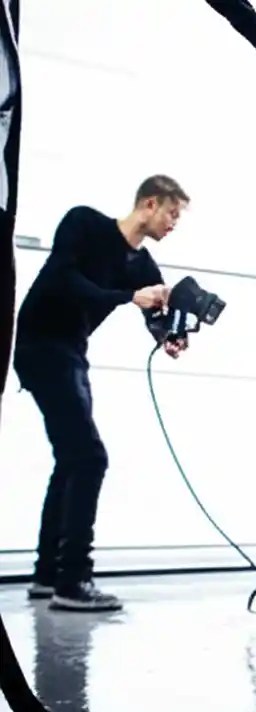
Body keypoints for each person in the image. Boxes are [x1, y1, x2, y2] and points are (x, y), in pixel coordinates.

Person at [12, 174, 191, 612]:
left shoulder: (143, 266)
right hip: (39, 345)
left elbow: (155, 316)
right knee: (90, 458)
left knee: (71, 460)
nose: (173, 224)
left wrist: (170, 335)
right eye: (171, 213)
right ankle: (73, 582)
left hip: (72, 352)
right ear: (150, 204)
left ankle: (47, 576)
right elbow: (64, 279)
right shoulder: (84, 224)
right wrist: (128, 296)